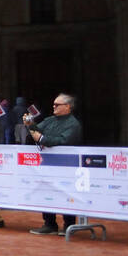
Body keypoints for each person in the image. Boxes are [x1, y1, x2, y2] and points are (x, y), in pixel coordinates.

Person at [28, 94, 83, 236]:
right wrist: (29, 124)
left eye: (57, 104)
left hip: (66, 166)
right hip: (47, 164)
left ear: (67, 107)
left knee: (66, 194)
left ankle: (69, 224)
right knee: (46, 193)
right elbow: (36, 129)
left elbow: (63, 141)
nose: (54, 107)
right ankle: (49, 223)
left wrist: (42, 138)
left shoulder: (73, 124)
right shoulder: (50, 120)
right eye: (53, 104)